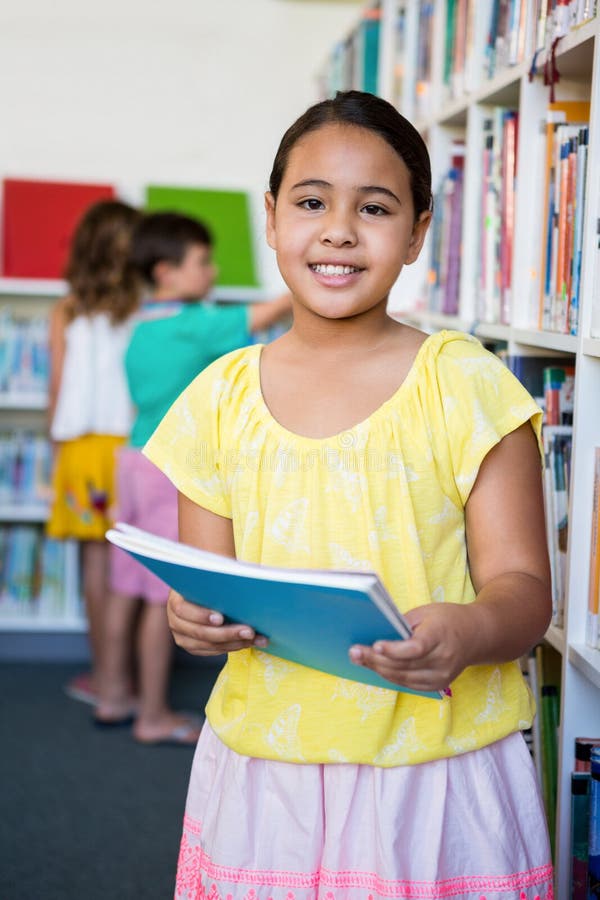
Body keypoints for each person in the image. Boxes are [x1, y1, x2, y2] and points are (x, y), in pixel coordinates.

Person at [144, 92, 553, 898]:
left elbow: (526, 594)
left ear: (418, 232)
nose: (337, 229)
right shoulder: (218, 396)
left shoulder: (466, 383)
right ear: (270, 218)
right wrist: (187, 618)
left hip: (436, 769)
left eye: (374, 207)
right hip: (268, 772)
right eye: (309, 202)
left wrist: (468, 630)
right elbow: (206, 588)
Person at [99, 211, 291, 744]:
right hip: (166, 469)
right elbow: (274, 309)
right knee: (169, 593)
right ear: (166, 272)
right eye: (202, 262)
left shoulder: (143, 325)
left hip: (133, 459)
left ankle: (114, 692)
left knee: (125, 587)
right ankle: (154, 714)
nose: (212, 271)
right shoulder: (193, 321)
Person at [47, 199, 142, 706]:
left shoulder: (66, 310)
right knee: (131, 570)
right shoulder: (146, 310)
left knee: (94, 567)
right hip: (131, 450)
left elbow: (58, 389)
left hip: (82, 452)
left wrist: (54, 450)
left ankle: (107, 682)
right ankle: (127, 683)